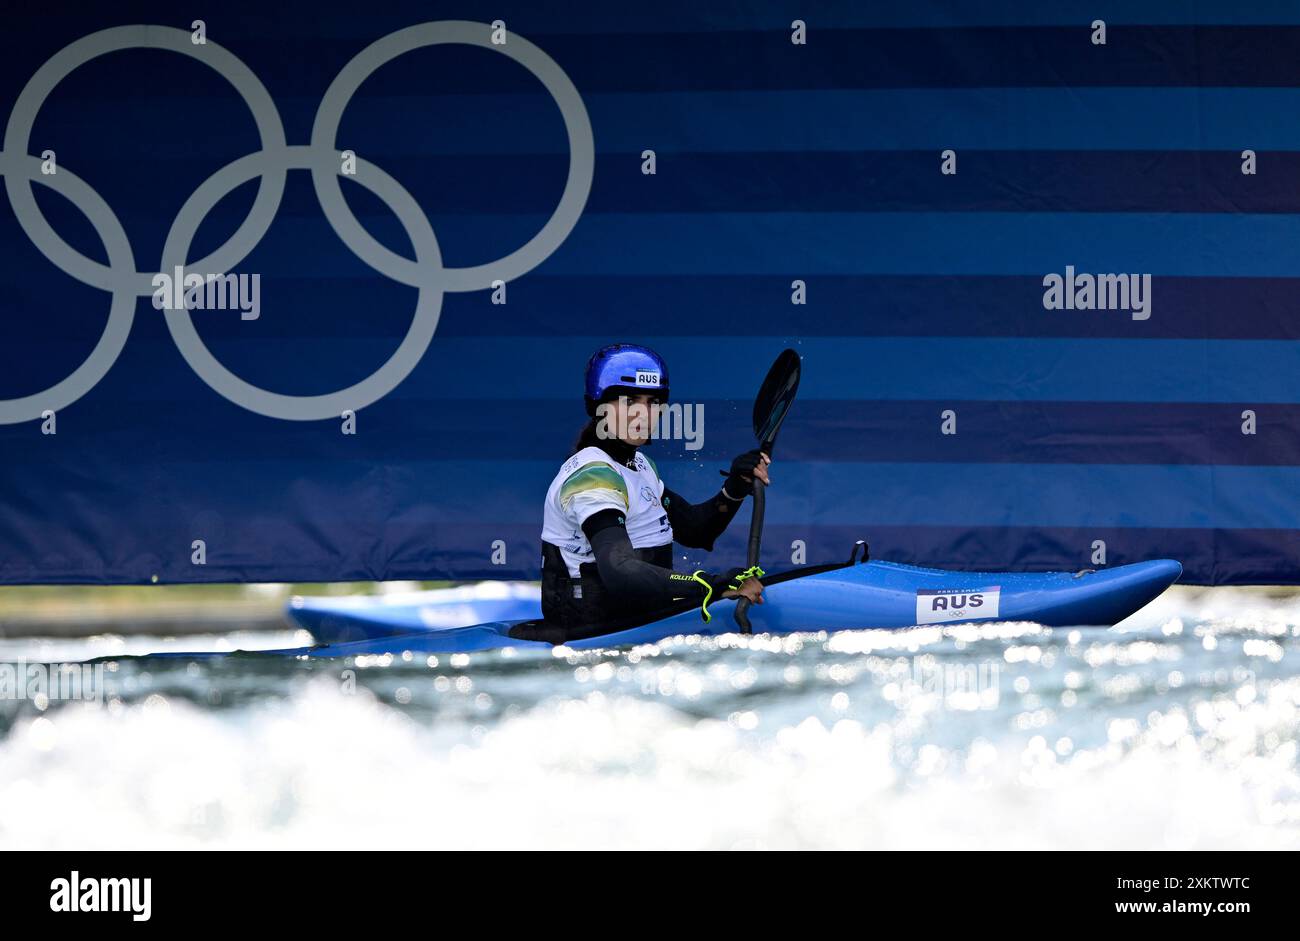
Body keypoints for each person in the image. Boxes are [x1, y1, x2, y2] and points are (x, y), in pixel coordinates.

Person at [520, 343, 769, 642]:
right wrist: (710, 586)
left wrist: (735, 488)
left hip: (634, 630)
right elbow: (619, 570)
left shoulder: (638, 466)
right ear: (597, 406)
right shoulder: (593, 476)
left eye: (653, 402)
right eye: (629, 401)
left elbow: (696, 530)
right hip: (590, 642)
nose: (643, 413)